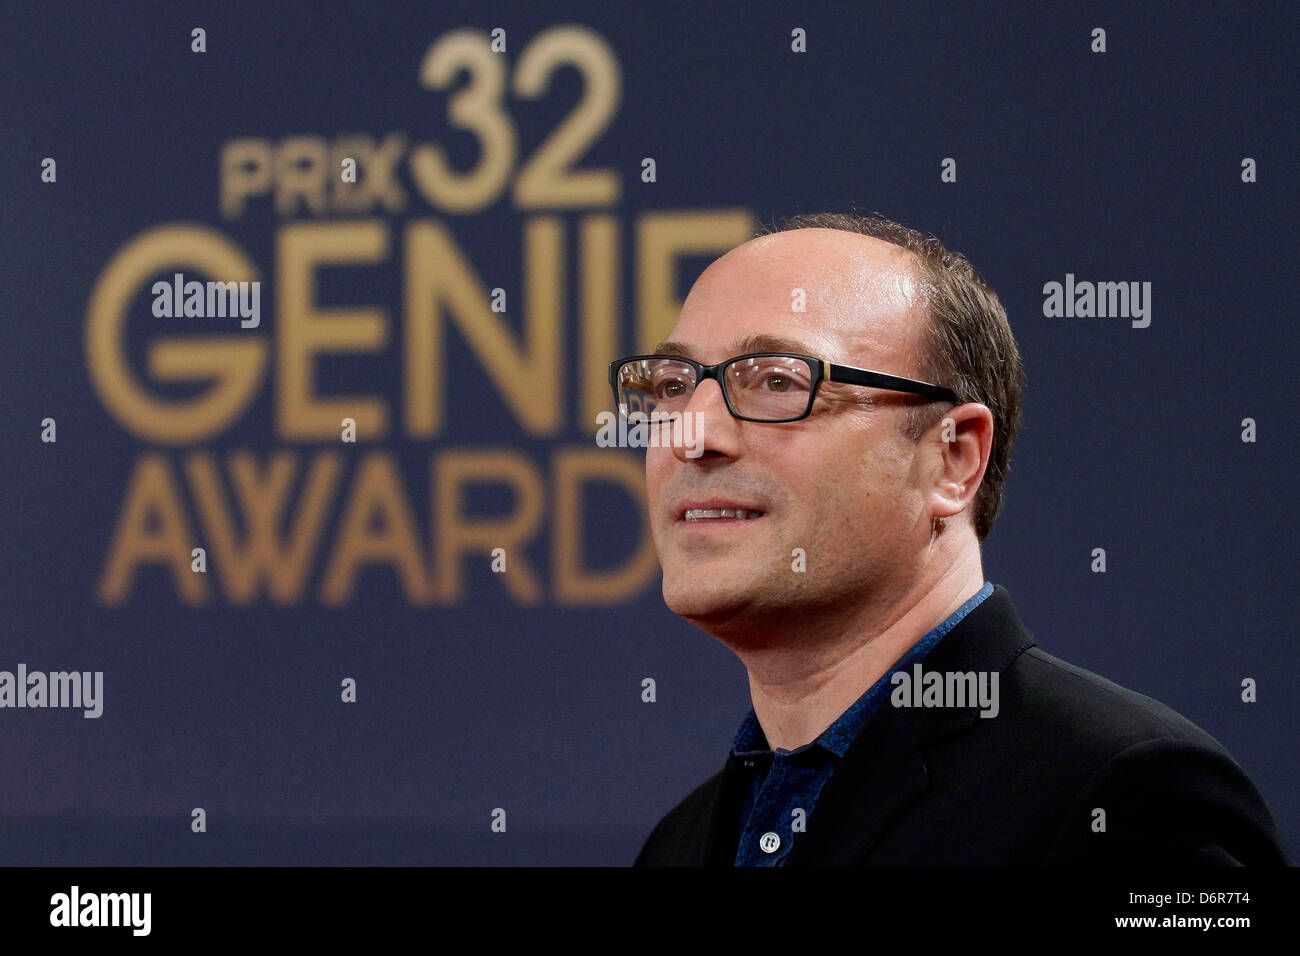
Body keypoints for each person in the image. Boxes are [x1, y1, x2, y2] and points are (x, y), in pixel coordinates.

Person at [616, 212, 1286, 866]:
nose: (691, 435)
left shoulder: (1126, 798)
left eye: (777, 381)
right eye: (673, 387)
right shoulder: (681, 843)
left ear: (954, 458)